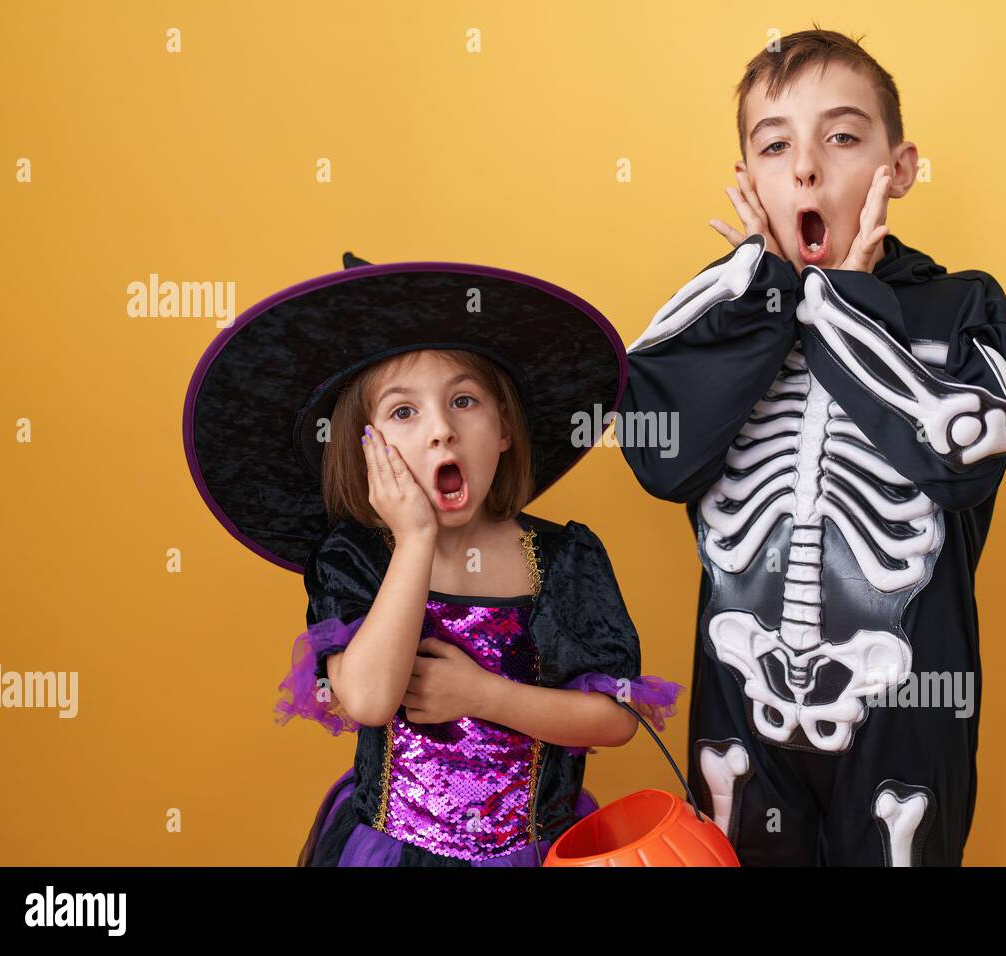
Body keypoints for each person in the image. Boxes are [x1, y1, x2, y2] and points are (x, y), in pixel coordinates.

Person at [618, 28, 1006, 866]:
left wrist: (840, 300)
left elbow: (956, 462)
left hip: (909, 703)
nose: (806, 168)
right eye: (776, 146)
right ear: (747, 181)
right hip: (742, 705)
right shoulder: (720, 312)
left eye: (842, 137)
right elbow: (660, 460)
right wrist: (761, 294)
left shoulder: (960, 307)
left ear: (902, 167)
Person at [184, 252, 682, 866]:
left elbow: (615, 721)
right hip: (397, 849)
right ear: (365, 450)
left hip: (530, 850)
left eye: (465, 401)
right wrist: (415, 540)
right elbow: (367, 699)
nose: (441, 430)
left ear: (504, 428)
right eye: (404, 412)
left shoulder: (562, 558)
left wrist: (481, 695)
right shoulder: (355, 559)